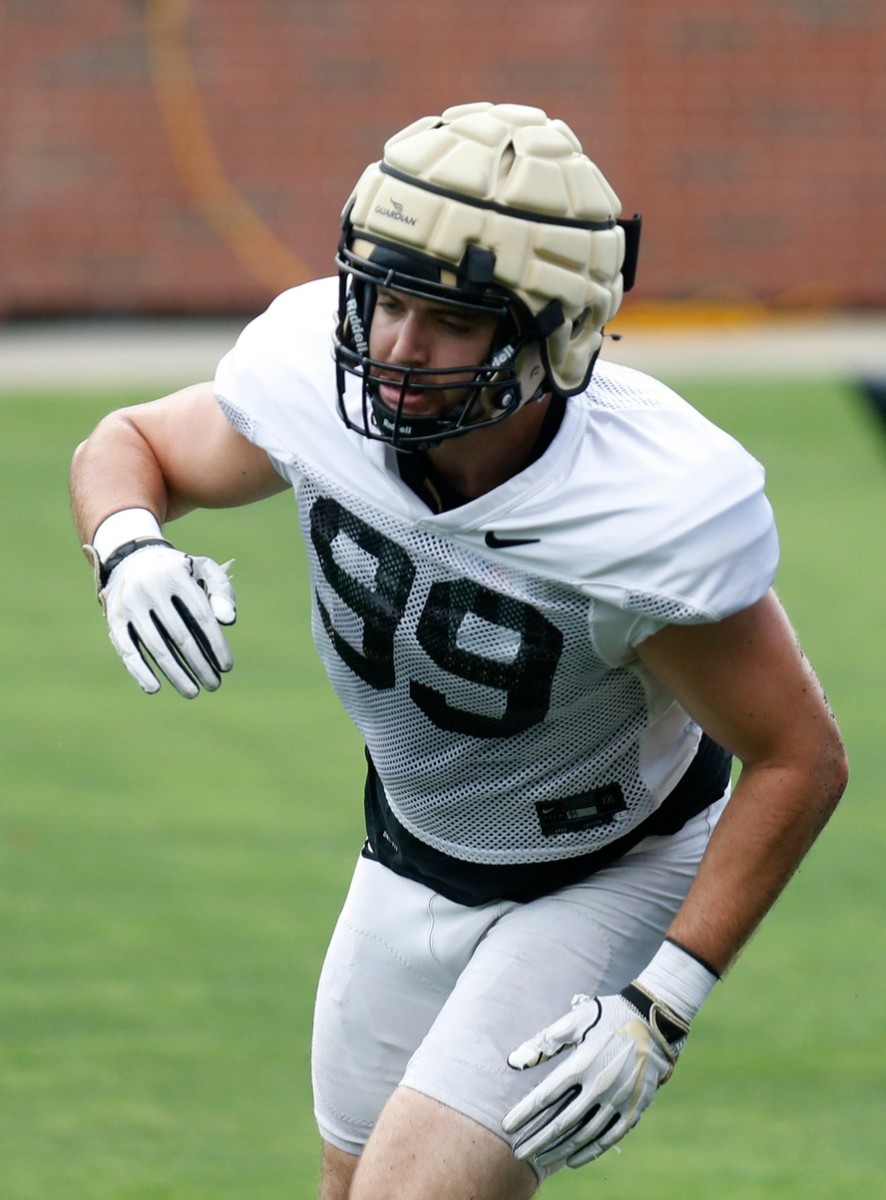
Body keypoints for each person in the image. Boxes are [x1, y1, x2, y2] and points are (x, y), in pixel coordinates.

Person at [69, 102, 848, 1200]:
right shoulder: (311, 387)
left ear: (551, 336)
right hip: (414, 847)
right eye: (386, 298)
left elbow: (798, 756)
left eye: (447, 320)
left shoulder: (641, 512)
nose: (394, 347)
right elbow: (131, 442)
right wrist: (129, 547)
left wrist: (661, 1000)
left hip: (608, 867)